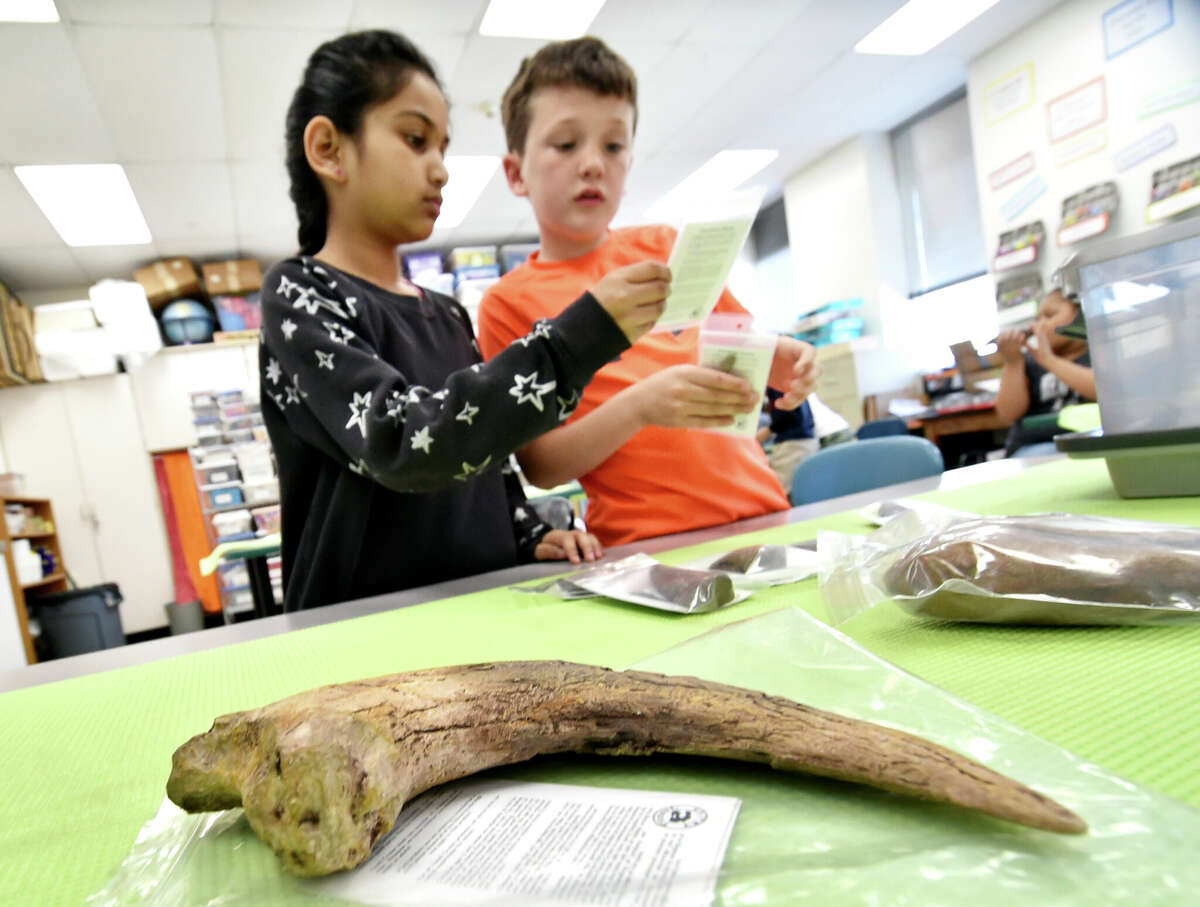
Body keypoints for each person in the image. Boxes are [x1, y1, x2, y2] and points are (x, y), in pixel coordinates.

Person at [260, 31, 673, 610]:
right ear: (329, 148)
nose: (441, 171)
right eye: (414, 140)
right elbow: (401, 441)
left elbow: (490, 467)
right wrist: (578, 338)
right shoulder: (301, 294)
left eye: (442, 149)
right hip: (361, 638)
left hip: (481, 612)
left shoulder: (448, 314)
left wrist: (531, 533)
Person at [477, 37, 819, 546]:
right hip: (643, 550)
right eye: (566, 144)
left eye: (613, 146)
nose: (593, 163)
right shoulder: (508, 303)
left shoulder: (665, 247)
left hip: (764, 518)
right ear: (515, 173)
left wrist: (783, 357)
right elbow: (543, 465)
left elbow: (741, 358)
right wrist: (640, 406)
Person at [994, 288, 1095, 457]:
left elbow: (1102, 391)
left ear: (1080, 314)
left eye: (1049, 316)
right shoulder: (1028, 362)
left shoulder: (1096, 354)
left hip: (1089, 440)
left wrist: (1050, 361)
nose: (1039, 325)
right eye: (1038, 319)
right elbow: (1008, 414)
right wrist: (1013, 364)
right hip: (1035, 445)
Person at [756, 389, 818, 502]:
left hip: (792, 442)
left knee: (784, 492)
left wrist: (769, 430)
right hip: (806, 439)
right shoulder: (789, 382)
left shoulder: (776, 384)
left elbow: (786, 413)